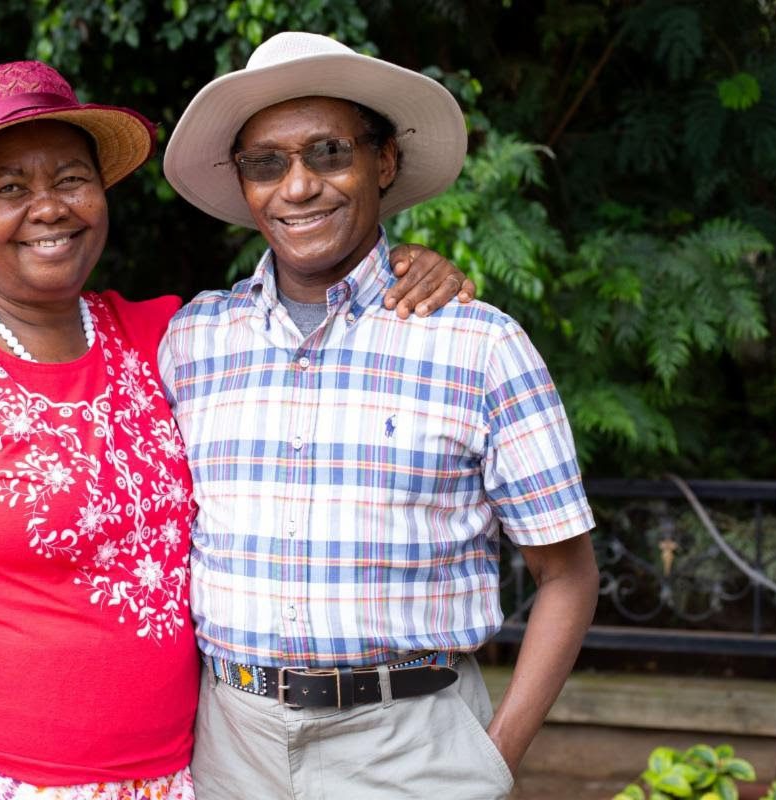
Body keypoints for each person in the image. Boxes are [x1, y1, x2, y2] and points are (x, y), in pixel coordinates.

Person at [0, 60, 473, 800]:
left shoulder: (164, 338)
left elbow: (302, 311)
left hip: (170, 779)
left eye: (71, 178)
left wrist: (407, 269)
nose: (49, 208)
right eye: (9, 189)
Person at [159, 32, 600, 800]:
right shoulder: (192, 341)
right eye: (267, 163)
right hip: (230, 751)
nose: (297, 187)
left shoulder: (478, 345)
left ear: (383, 162)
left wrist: (494, 758)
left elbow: (567, 576)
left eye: (328, 152)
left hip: (414, 749)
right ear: (244, 183)